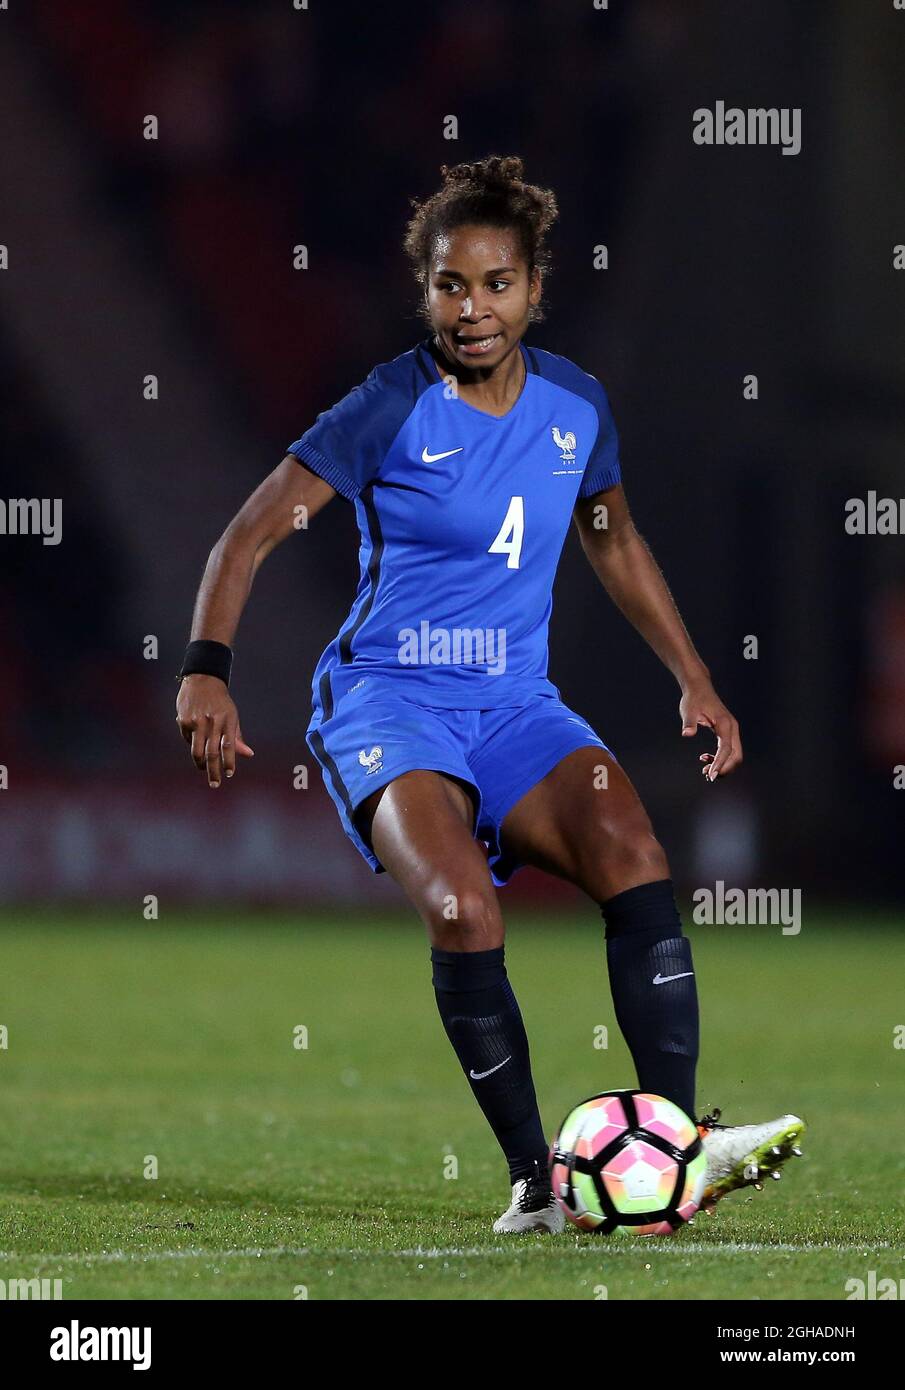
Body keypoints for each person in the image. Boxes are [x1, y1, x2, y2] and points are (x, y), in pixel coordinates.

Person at [176, 155, 804, 1233]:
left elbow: (612, 541)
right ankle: (534, 1184)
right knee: (464, 908)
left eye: (496, 284)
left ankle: (677, 1145)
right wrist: (205, 667)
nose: (472, 309)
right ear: (425, 292)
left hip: (515, 703)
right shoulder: (386, 406)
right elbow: (246, 535)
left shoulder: (576, 405)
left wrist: (693, 677)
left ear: (533, 288)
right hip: (390, 701)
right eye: (450, 286)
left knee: (632, 850)